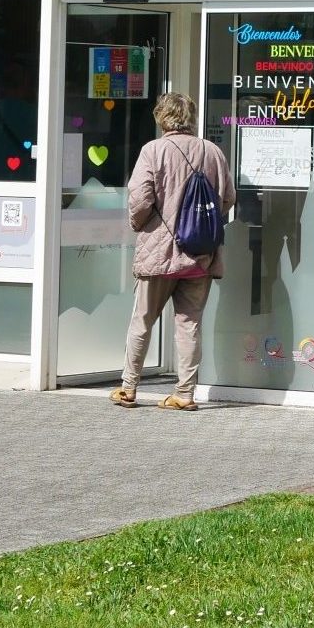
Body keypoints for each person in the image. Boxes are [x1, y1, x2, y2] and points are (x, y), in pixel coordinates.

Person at [111, 92, 236, 411]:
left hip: (159, 254)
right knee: (189, 324)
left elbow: (140, 200)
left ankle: (128, 388)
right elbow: (227, 198)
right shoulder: (212, 151)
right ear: (191, 117)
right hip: (199, 255)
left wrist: (139, 225)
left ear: (161, 118)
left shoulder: (152, 151)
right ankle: (184, 393)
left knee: (142, 320)